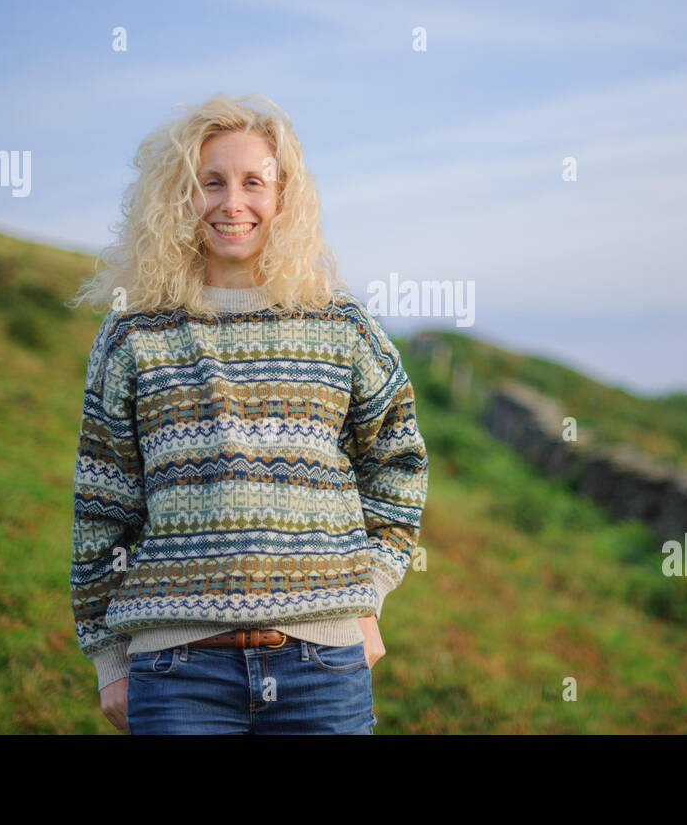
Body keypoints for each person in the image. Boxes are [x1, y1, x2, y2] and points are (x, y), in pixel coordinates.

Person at [66, 93, 428, 734]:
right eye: (212, 183)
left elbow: (398, 463)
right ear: (180, 198)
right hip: (178, 674)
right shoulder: (133, 335)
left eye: (253, 182)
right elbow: (103, 509)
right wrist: (108, 658)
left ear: (283, 198)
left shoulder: (340, 325)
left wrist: (368, 591)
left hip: (324, 670)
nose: (233, 203)